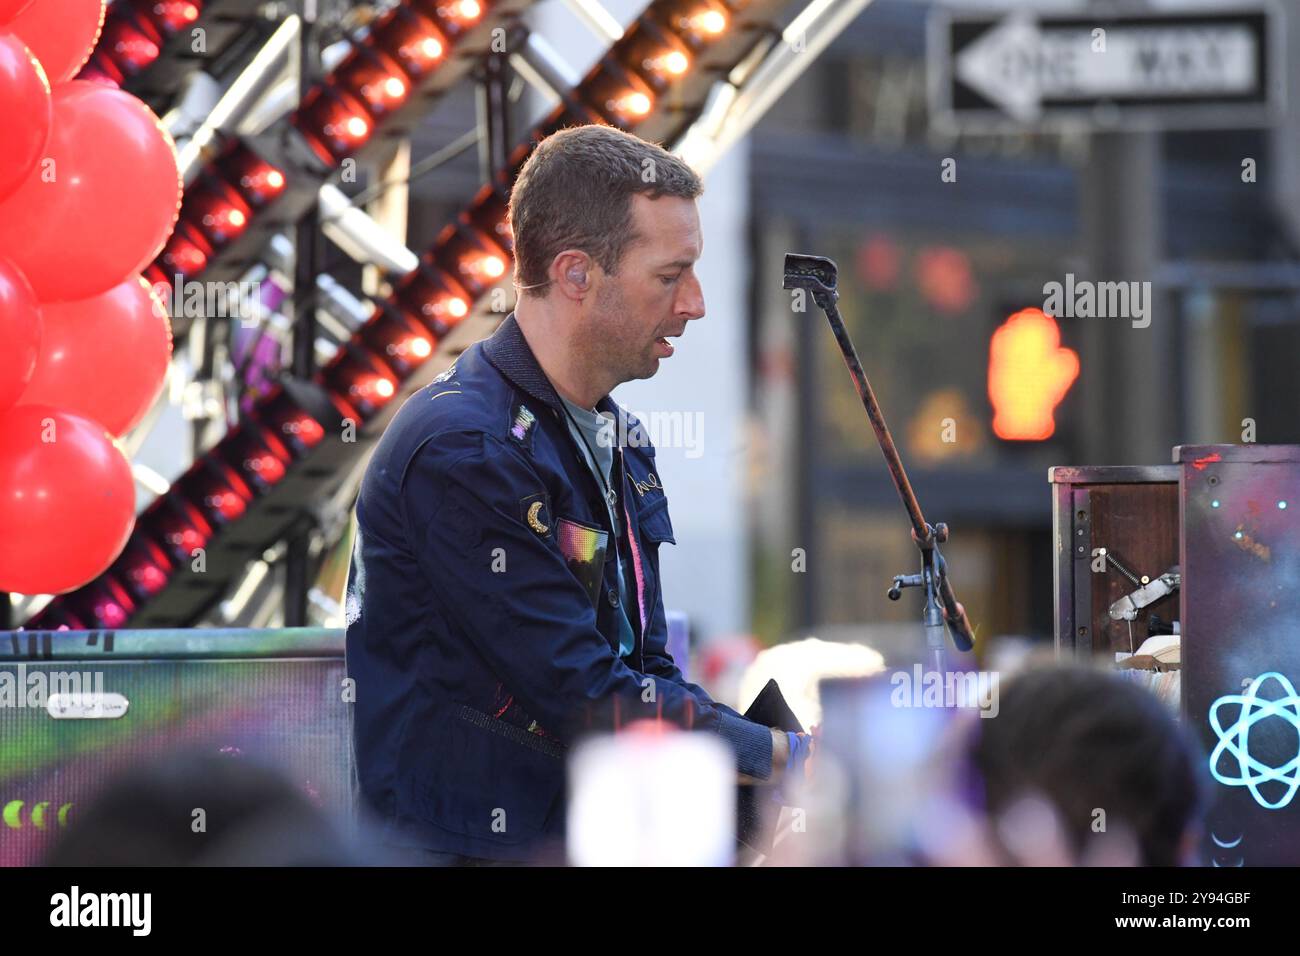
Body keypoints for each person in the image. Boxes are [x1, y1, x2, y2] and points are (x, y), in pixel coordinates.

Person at [344, 124, 811, 864]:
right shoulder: (465, 449)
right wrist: (785, 756)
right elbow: (587, 692)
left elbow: (643, 670)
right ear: (575, 275)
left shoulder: (615, 438)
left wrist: (769, 764)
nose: (695, 304)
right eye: (670, 276)